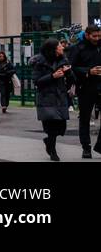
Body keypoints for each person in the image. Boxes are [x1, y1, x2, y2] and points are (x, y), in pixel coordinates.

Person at [32, 38, 73, 161]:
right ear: (53, 49)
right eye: (60, 46)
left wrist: (69, 72)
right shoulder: (40, 63)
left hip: (60, 97)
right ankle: (53, 151)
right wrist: (52, 76)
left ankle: (48, 142)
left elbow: (72, 80)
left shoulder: (64, 60)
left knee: (61, 127)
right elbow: (37, 81)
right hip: (46, 98)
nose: (62, 47)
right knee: (51, 126)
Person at [67, 23, 101, 158]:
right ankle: (86, 147)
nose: (97, 38)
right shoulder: (77, 49)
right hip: (86, 87)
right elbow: (71, 67)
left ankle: (99, 146)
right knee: (85, 119)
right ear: (87, 35)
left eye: (99, 36)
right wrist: (88, 71)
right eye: (94, 36)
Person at [0, 50, 16, 114]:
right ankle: (3, 105)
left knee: (7, 93)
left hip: (8, 80)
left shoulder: (8, 62)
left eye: (2, 56)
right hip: (0, 80)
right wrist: (2, 74)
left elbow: (13, 70)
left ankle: (6, 105)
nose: (1, 57)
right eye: (0, 56)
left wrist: (8, 73)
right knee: (3, 92)